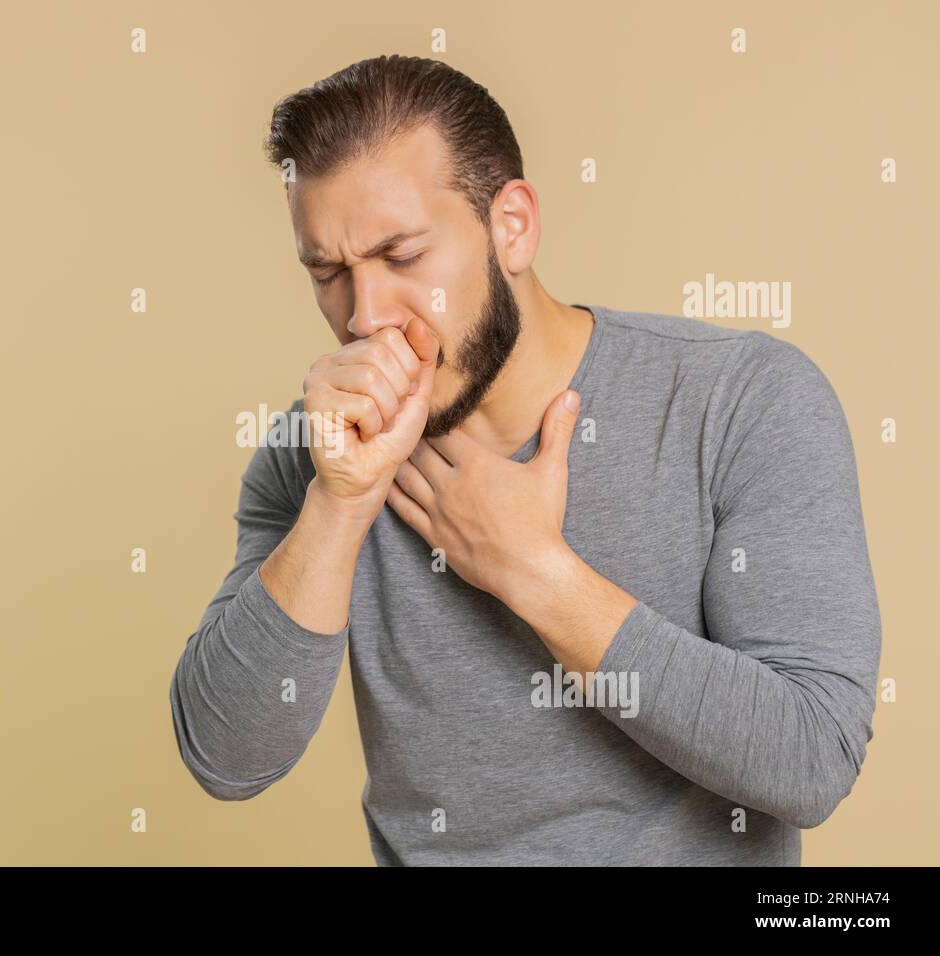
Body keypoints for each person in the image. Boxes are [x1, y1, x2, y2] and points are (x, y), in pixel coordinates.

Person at [169, 54, 881, 865]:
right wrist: (338, 505)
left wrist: (536, 571)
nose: (365, 317)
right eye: (329, 273)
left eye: (401, 257)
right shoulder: (319, 455)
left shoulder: (741, 401)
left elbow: (813, 758)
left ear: (511, 226)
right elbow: (226, 759)